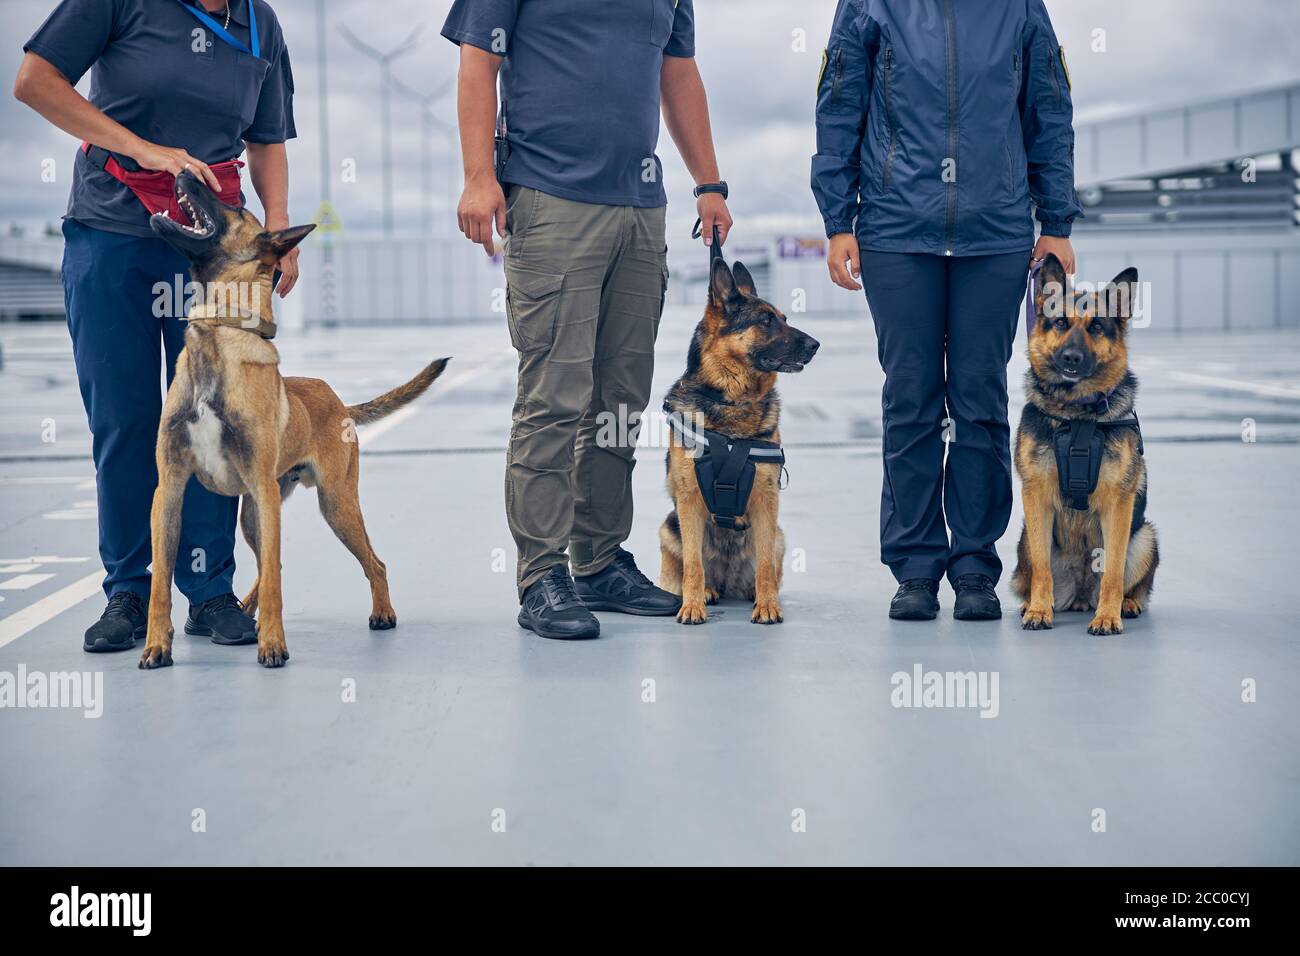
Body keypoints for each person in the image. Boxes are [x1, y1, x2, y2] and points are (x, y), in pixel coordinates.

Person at [442, 0, 733, 640]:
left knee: (620, 401)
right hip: (551, 199)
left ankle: (598, 561)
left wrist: (709, 182)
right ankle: (541, 574)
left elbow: (677, 71)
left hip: (639, 205)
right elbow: (477, 60)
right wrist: (478, 175)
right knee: (554, 397)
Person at [14, 0, 299, 651]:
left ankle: (210, 591)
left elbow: (268, 139)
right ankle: (131, 591)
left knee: (218, 417)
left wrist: (277, 233)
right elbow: (34, 80)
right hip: (111, 232)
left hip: (211, 251)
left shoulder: (261, 24)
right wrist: (143, 149)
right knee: (127, 415)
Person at [812, 0, 1082, 622]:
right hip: (895, 231)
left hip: (997, 234)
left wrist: (1057, 219)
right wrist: (837, 220)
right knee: (910, 397)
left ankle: (972, 565)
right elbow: (838, 108)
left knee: (980, 398)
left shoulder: (1019, 7)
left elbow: (1049, 108)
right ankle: (913, 566)